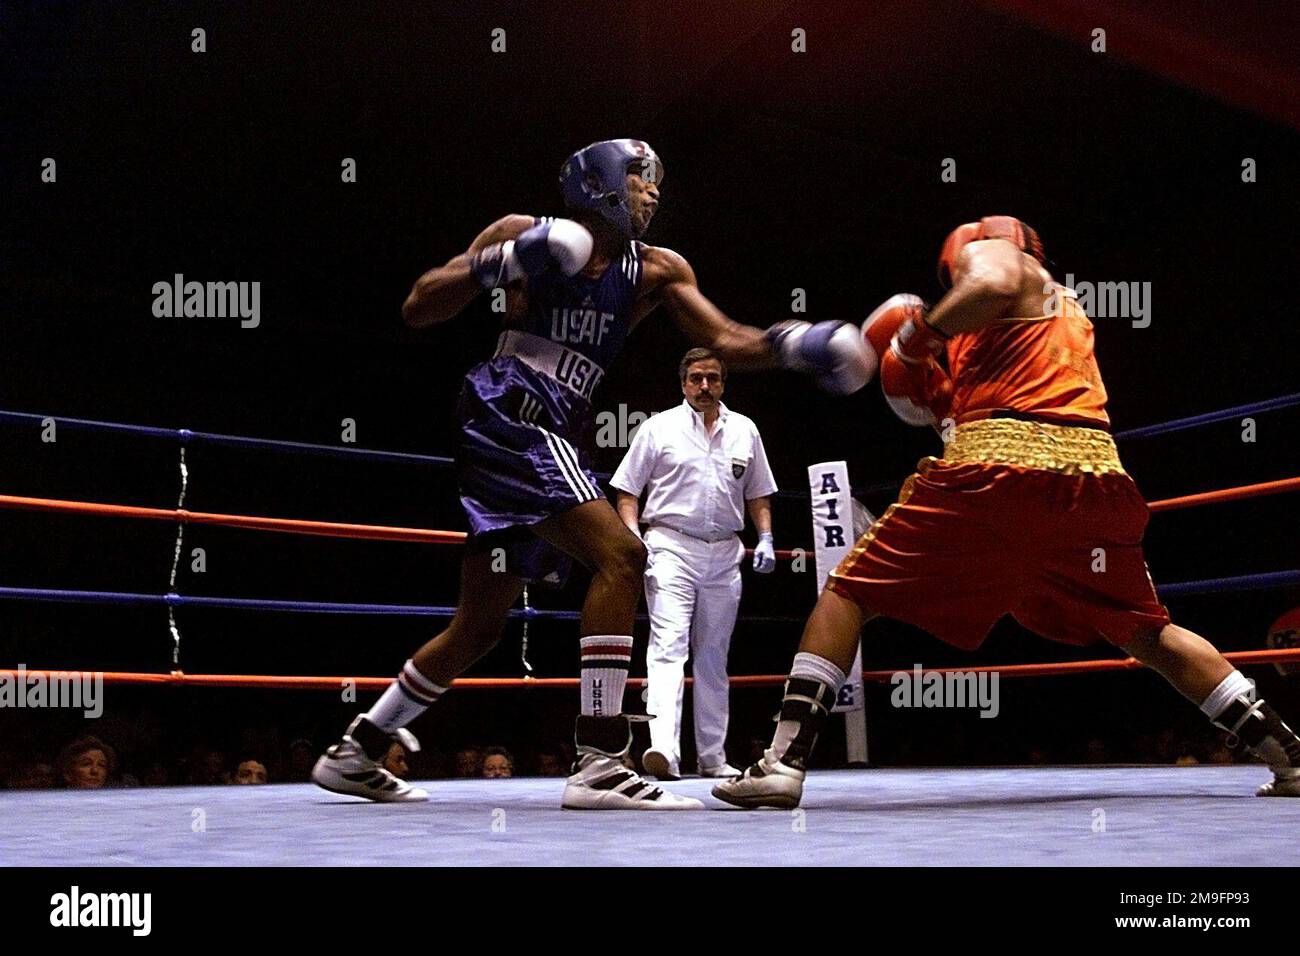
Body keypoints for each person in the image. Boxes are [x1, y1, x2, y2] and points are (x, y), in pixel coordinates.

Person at [312, 139, 872, 809]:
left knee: (480, 624)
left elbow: (727, 340)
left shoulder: (656, 271)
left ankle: (358, 749)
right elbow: (419, 305)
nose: (653, 192)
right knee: (624, 556)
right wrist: (502, 264)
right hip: (509, 409)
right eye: (641, 177)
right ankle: (600, 758)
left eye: (657, 181)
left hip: (561, 426)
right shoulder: (524, 235)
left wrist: (802, 346)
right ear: (601, 179)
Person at [715, 216, 1300, 808]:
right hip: (1097, 480)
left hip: (1002, 469)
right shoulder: (1060, 312)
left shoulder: (998, 259)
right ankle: (1290, 756)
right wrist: (927, 381)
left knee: (849, 593)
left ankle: (781, 765)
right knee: (1147, 632)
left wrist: (916, 337)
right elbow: (986, 400)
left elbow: (989, 287)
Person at [611, 347, 777, 779]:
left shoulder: (745, 430)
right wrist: (633, 539)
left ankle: (712, 757)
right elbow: (627, 491)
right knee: (667, 647)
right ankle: (663, 750)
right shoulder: (657, 428)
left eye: (713, 378)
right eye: (697, 378)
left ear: (723, 383)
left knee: (714, 656)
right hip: (669, 545)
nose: (705, 386)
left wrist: (767, 538)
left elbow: (758, 491)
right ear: (683, 382)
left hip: (725, 551)